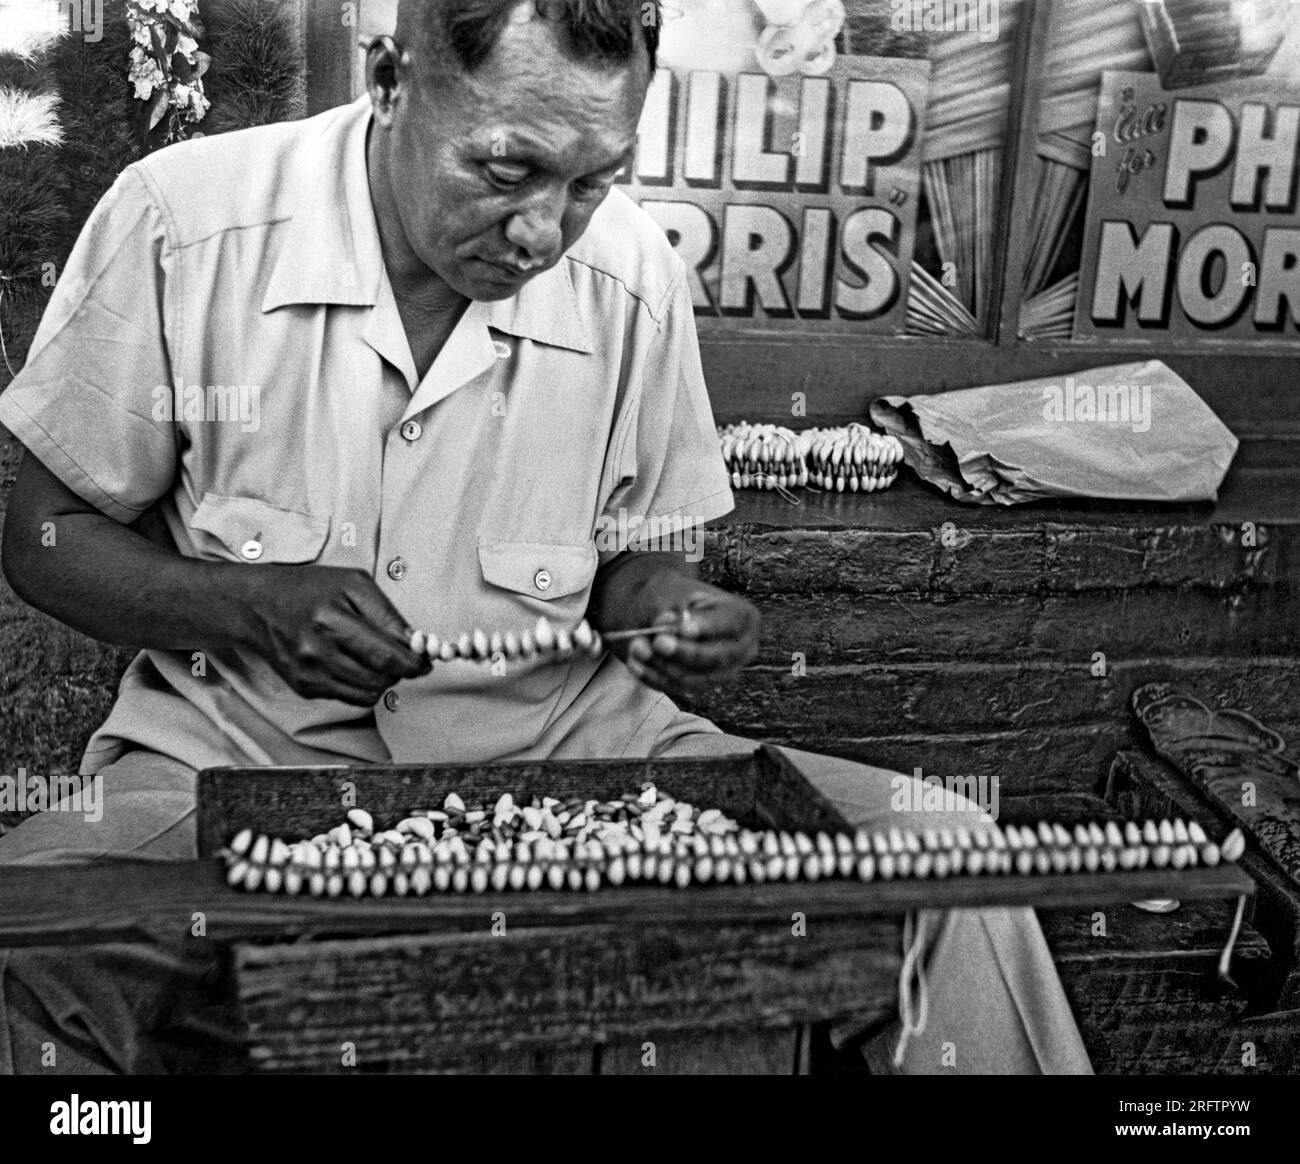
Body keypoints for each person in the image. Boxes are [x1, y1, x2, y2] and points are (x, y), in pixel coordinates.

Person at [0, 0, 1091, 1074]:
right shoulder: (187, 224)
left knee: (953, 867)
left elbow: (641, 558)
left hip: (570, 757)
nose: (542, 234)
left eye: (593, 181)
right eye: (507, 170)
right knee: (31, 946)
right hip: (226, 758)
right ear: (390, 83)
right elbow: (44, 534)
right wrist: (248, 606)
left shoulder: (631, 276)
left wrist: (667, 608)